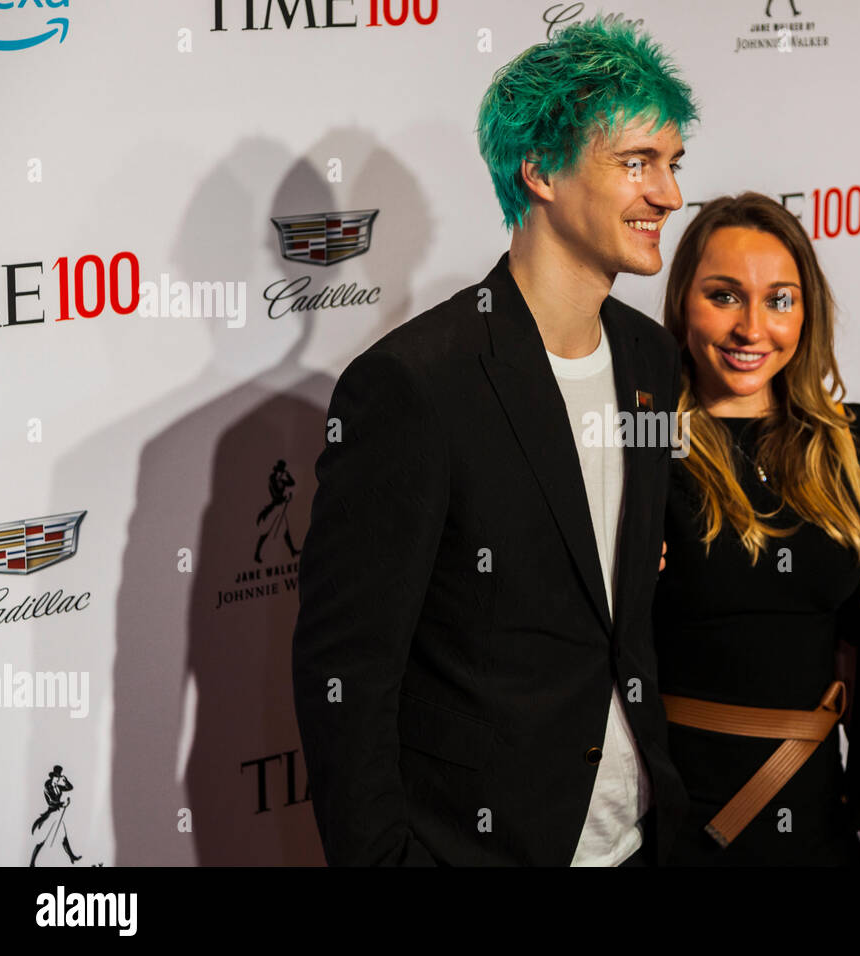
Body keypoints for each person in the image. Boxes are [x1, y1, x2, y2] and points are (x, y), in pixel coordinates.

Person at [290, 18, 698, 865]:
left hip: (638, 840)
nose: (668, 195)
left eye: (672, 165)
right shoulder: (414, 387)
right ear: (541, 169)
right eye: (636, 163)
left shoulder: (652, 356)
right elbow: (348, 679)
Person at [652, 192, 860, 866]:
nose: (753, 328)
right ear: (683, 301)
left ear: (808, 311)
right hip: (667, 829)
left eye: (780, 300)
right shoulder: (641, 448)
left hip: (818, 825)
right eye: (724, 295)